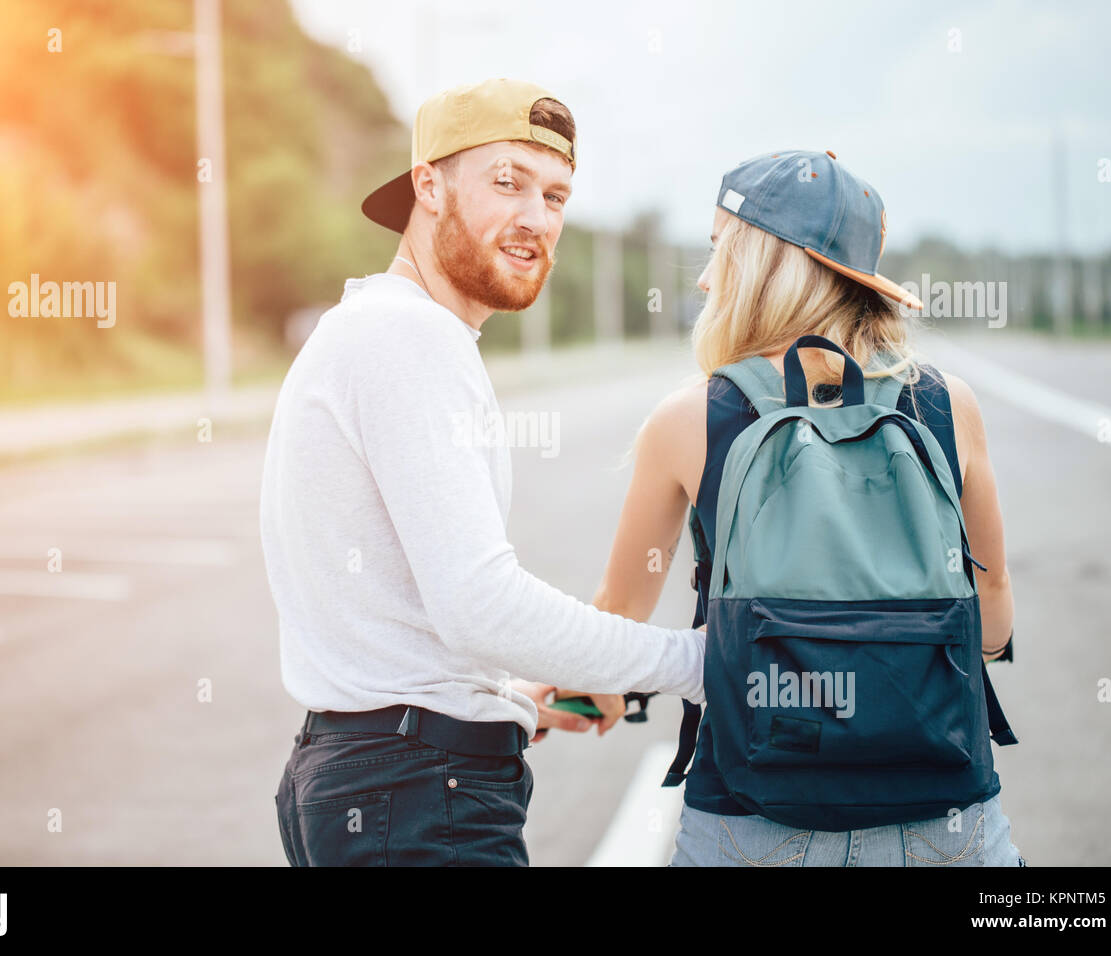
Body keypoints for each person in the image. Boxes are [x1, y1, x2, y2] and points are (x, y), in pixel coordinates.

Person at [261, 78, 706, 867]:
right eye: (508, 182)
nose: (537, 217)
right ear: (428, 187)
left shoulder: (369, 327)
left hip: (369, 779)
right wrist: (697, 663)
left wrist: (503, 702)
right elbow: (479, 605)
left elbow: (392, 625)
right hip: (415, 797)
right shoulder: (411, 338)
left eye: (556, 195)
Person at [586, 149, 1025, 866]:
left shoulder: (694, 417)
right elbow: (991, 601)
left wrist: (589, 687)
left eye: (719, 249)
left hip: (753, 819)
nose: (704, 278)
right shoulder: (948, 405)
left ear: (764, 265)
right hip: (943, 818)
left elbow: (617, 613)